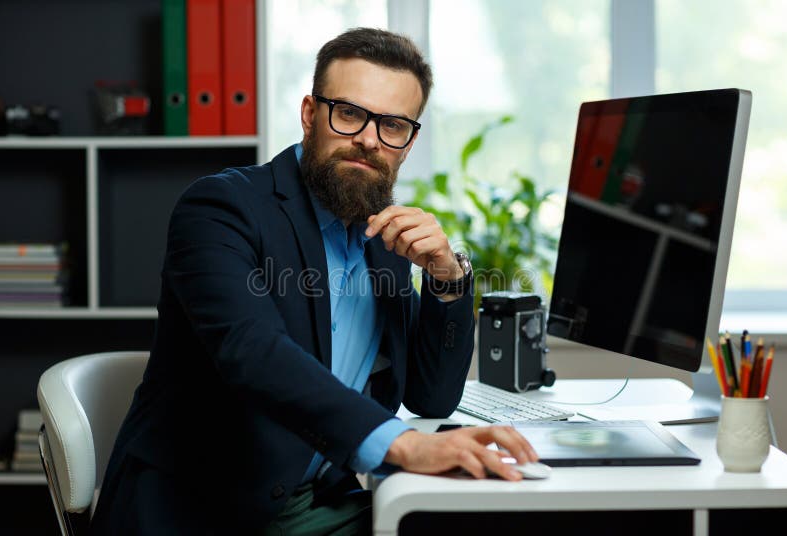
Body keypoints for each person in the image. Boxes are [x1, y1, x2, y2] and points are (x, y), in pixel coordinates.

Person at [90, 27, 536, 535]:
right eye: (348, 113)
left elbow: (432, 398)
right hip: (204, 511)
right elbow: (252, 350)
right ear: (309, 114)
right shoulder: (220, 208)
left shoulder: (384, 240)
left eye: (392, 125)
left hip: (317, 504)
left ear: (408, 143)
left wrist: (447, 277)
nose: (368, 139)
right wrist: (402, 444)